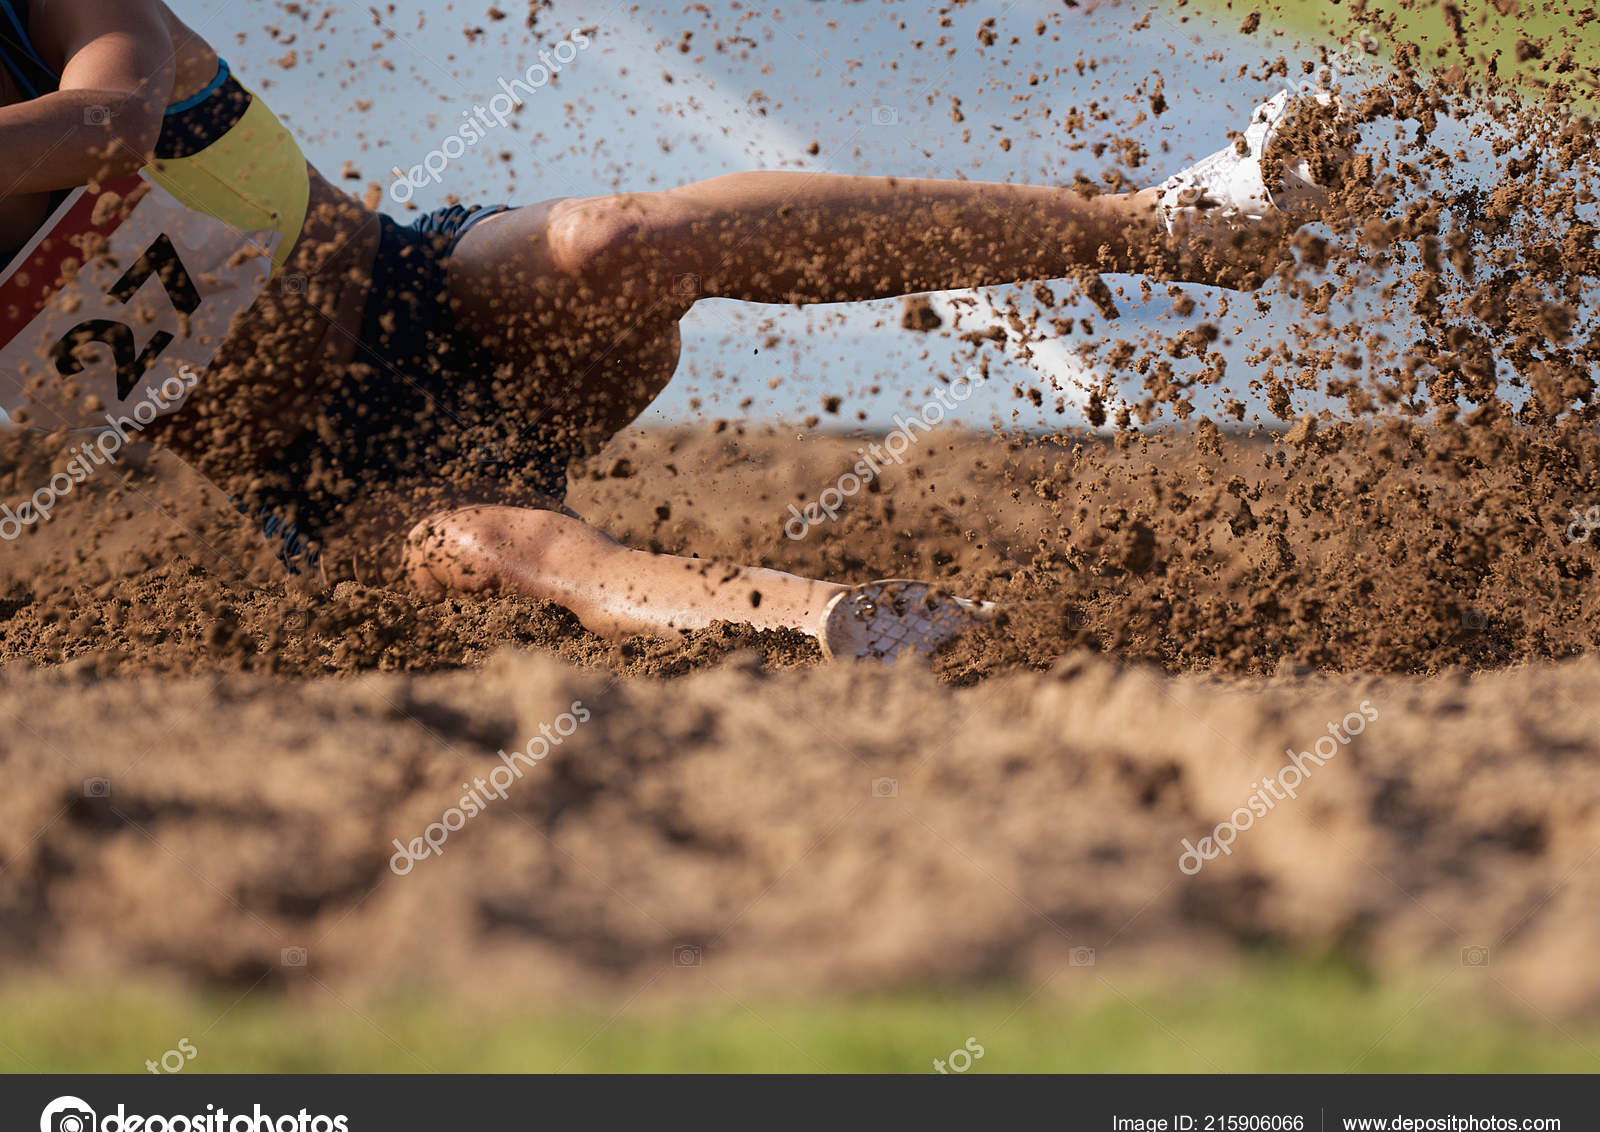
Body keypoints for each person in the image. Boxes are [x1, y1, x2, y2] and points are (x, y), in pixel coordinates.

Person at [0, 0, 1338, 662]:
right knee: (501, 546)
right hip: (327, 483)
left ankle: (1169, 226)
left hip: (430, 294)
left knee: (619, 240)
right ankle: (857, 627)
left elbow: (111, 125)